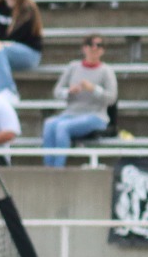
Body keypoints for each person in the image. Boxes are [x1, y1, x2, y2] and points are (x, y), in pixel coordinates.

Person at [40, 36, 116, 166]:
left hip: (95, 116)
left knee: (63, 127)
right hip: (71, 114)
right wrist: (69, 92)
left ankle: (58, 169)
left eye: (99, 46)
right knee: (49, 124)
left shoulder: (106, 71)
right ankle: (49, 168)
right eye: (91, 45)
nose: (94, 49)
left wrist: (94, 89)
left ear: (102, 50)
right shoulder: (73, 67)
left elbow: (111, 98)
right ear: (84, 48)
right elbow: (57, 91)